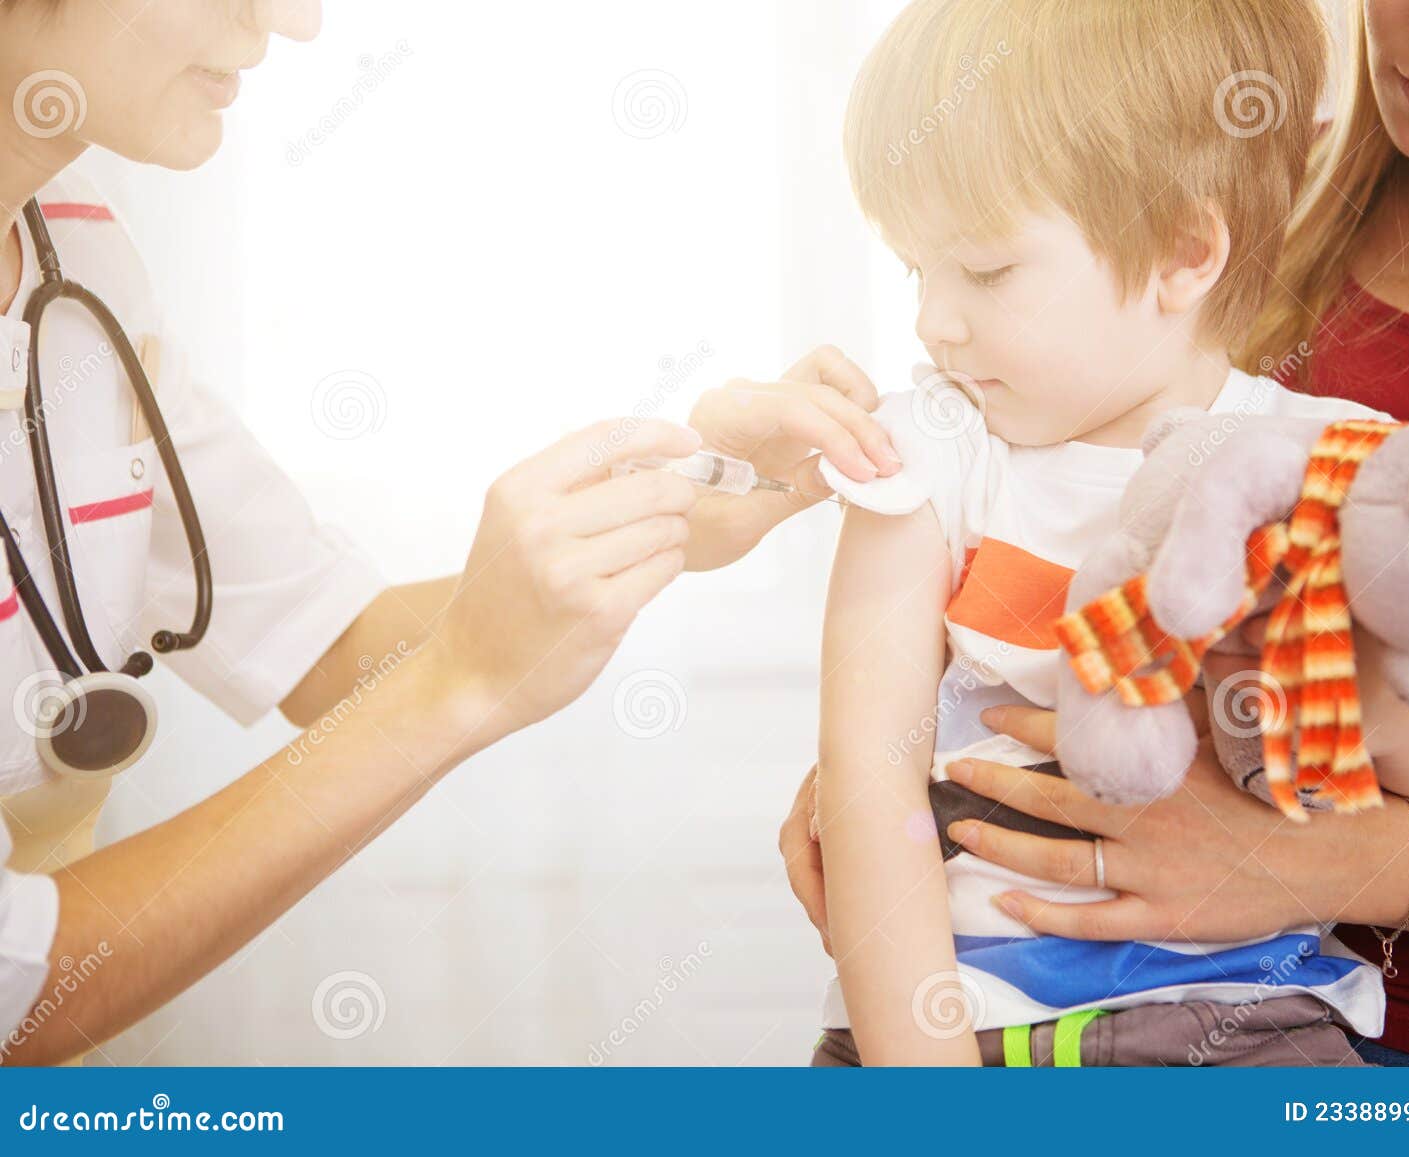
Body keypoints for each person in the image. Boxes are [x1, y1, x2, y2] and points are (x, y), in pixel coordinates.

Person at [0, 0, 900, 1066]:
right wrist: (459, 686)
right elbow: (23, 987)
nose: (294, 21)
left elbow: (328, 645)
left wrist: (675, 513)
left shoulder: (78, 253)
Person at [783, 0, 1409, 1066]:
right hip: (964, 1012)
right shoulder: (942, 440)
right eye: (913, 269)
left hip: (1260, 1020)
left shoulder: (1343, 455)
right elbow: (866, 776)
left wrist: (1369, 662)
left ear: (1185, 252)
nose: (933, 321)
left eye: (980, 273)